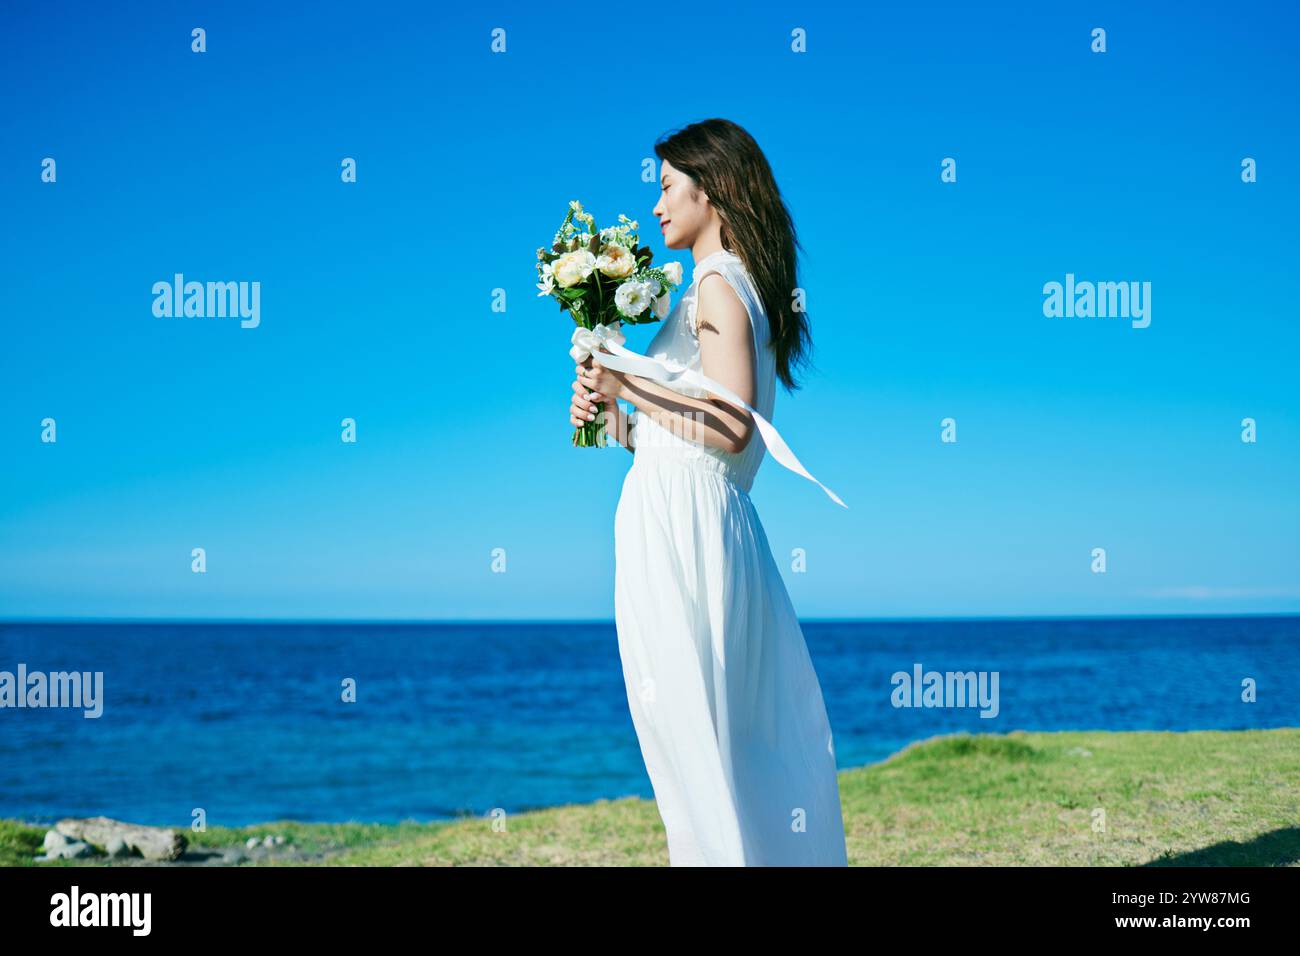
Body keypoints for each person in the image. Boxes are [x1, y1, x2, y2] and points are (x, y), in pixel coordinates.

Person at [569, 118, 849, 866]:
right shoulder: (707, 291)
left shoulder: (721, 286)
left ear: (713, 188)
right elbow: (671, 438)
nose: (657, 206)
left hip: (690, 528)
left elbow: (729, 427)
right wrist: (610, 418)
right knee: (711, 743)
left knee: (698, 743)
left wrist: (627, 377)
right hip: (686, 515)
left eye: (666, 187)